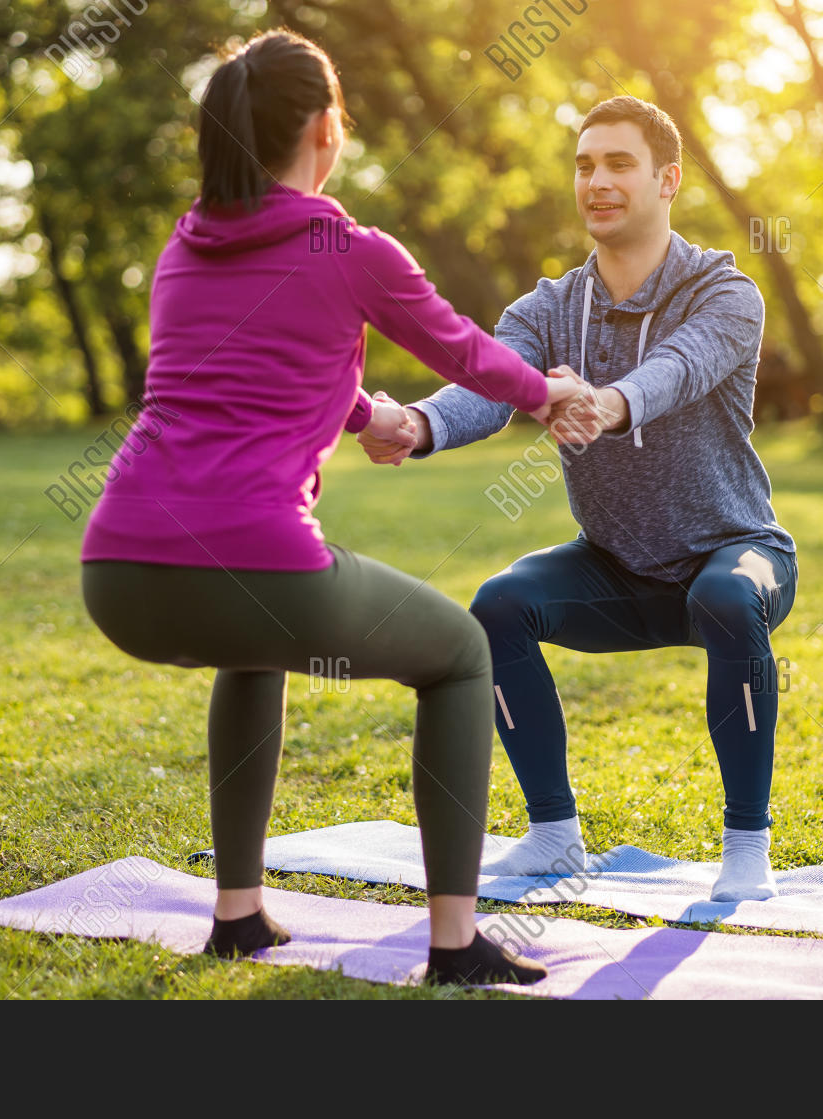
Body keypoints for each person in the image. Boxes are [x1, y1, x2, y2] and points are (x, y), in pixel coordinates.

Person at [80, 29, 583, 984]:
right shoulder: (348, 247)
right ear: (322, 128)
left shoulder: (185, 246)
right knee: (462, 654)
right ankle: (453, 943)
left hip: (116, 568)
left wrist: (366, 415)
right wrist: (548, 394)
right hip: (251, 551)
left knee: (253, 648)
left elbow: (242, 367)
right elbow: (463, 351)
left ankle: (237, 917)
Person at [361, 96, 798, 902]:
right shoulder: (548, 310)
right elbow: (488, 385)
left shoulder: (726, 294)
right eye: (585, 164)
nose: (596, 181)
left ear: (668, 179)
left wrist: (606, 402)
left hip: (738, 556)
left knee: (730, 599)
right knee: (498, 606)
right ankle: (554, 837)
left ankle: (746, 847)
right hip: (620, 570)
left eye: (619, 164)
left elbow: (681, 368)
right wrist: (416, 424)